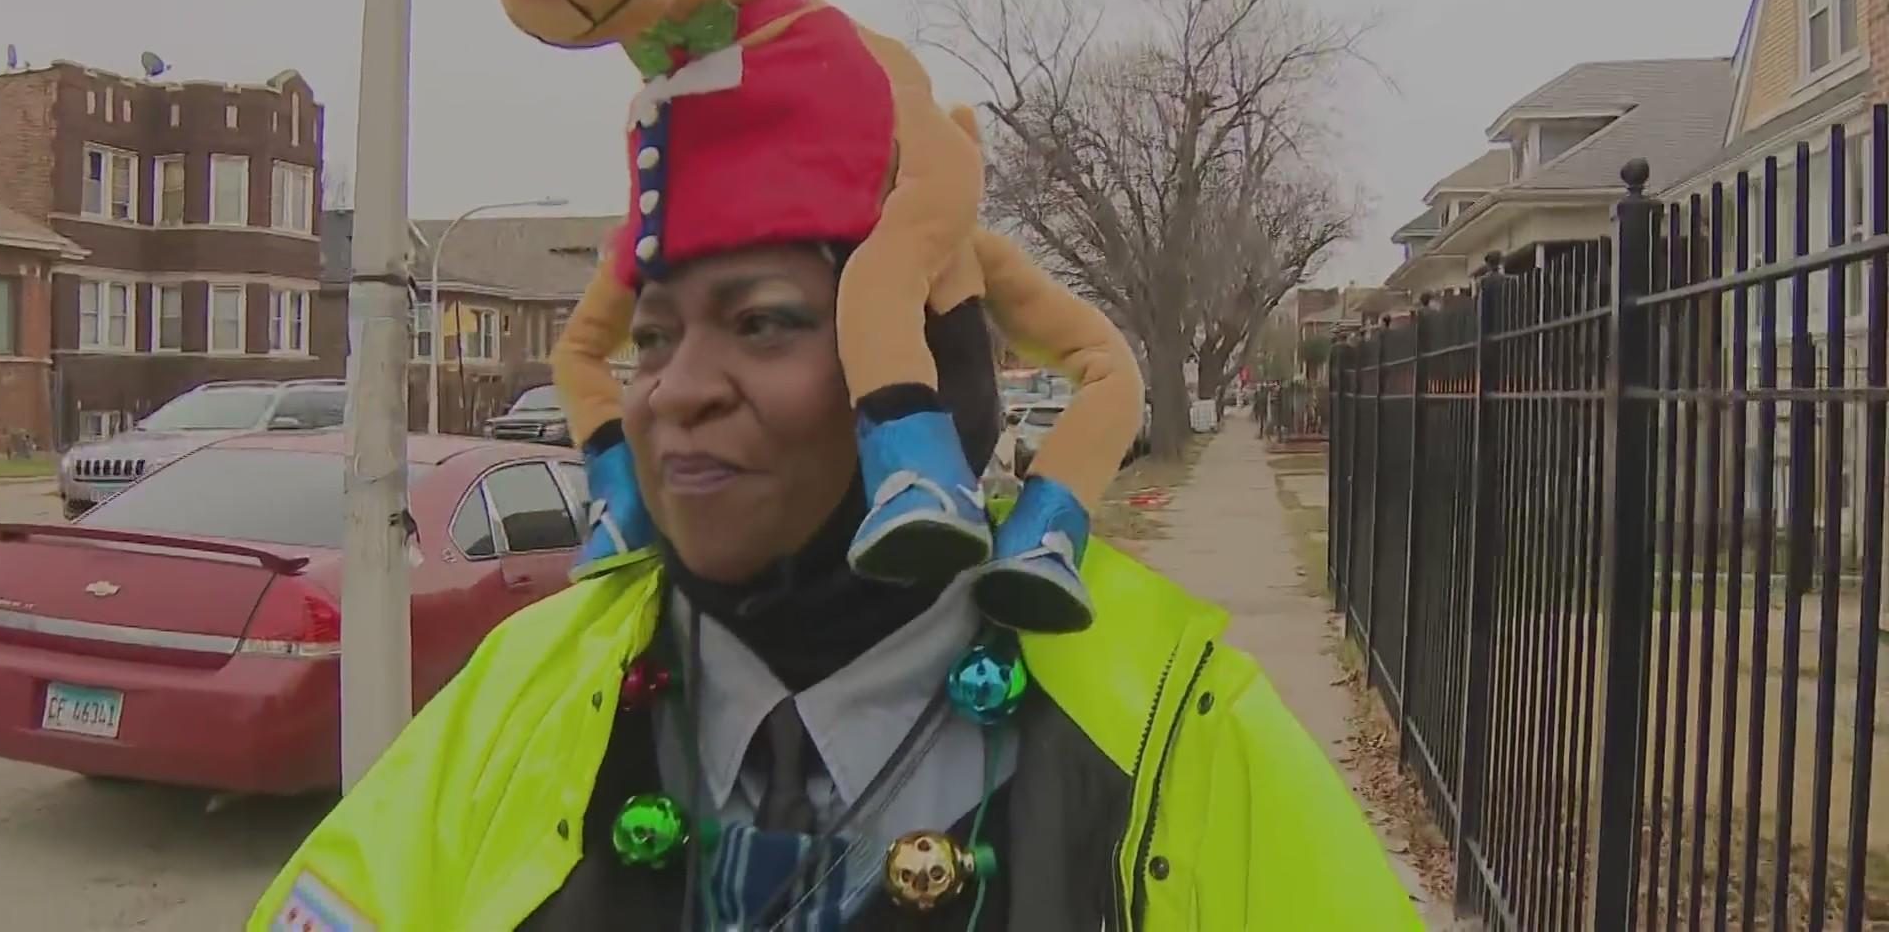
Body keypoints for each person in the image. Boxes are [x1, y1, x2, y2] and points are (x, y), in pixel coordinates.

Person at [250, 241, 1417, 931]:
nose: (672, 392)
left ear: (930, 384)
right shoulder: (529, 683)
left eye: (761, 323)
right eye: (651, 340)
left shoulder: (1177, 730)